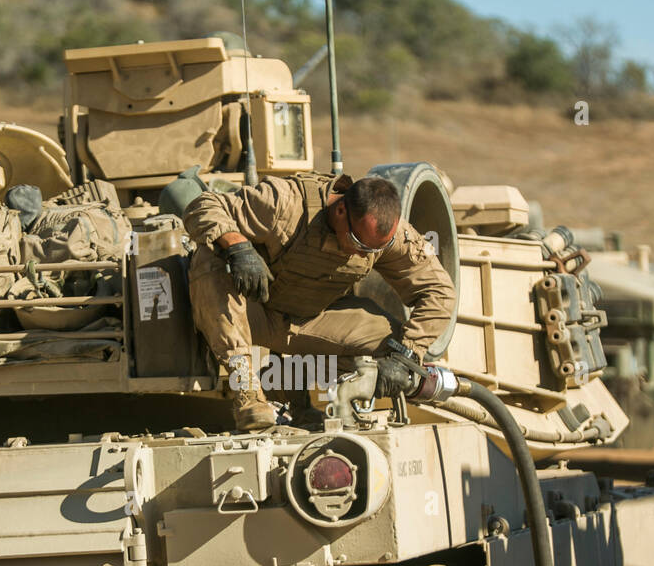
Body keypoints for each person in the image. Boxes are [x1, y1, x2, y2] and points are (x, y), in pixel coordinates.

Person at [183, 172, 456, 430]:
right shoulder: (284, 203)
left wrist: (407, 354)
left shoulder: (382, 235)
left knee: (395, 348)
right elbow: (202, 205)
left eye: (375, 250)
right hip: (250, 313)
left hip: (307, 319)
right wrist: (238, 247)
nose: (365, 256)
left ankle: (292, 385)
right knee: (209, 262)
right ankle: (248, 392)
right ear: (340, 211)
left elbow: (440, 292)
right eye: (359, 244)